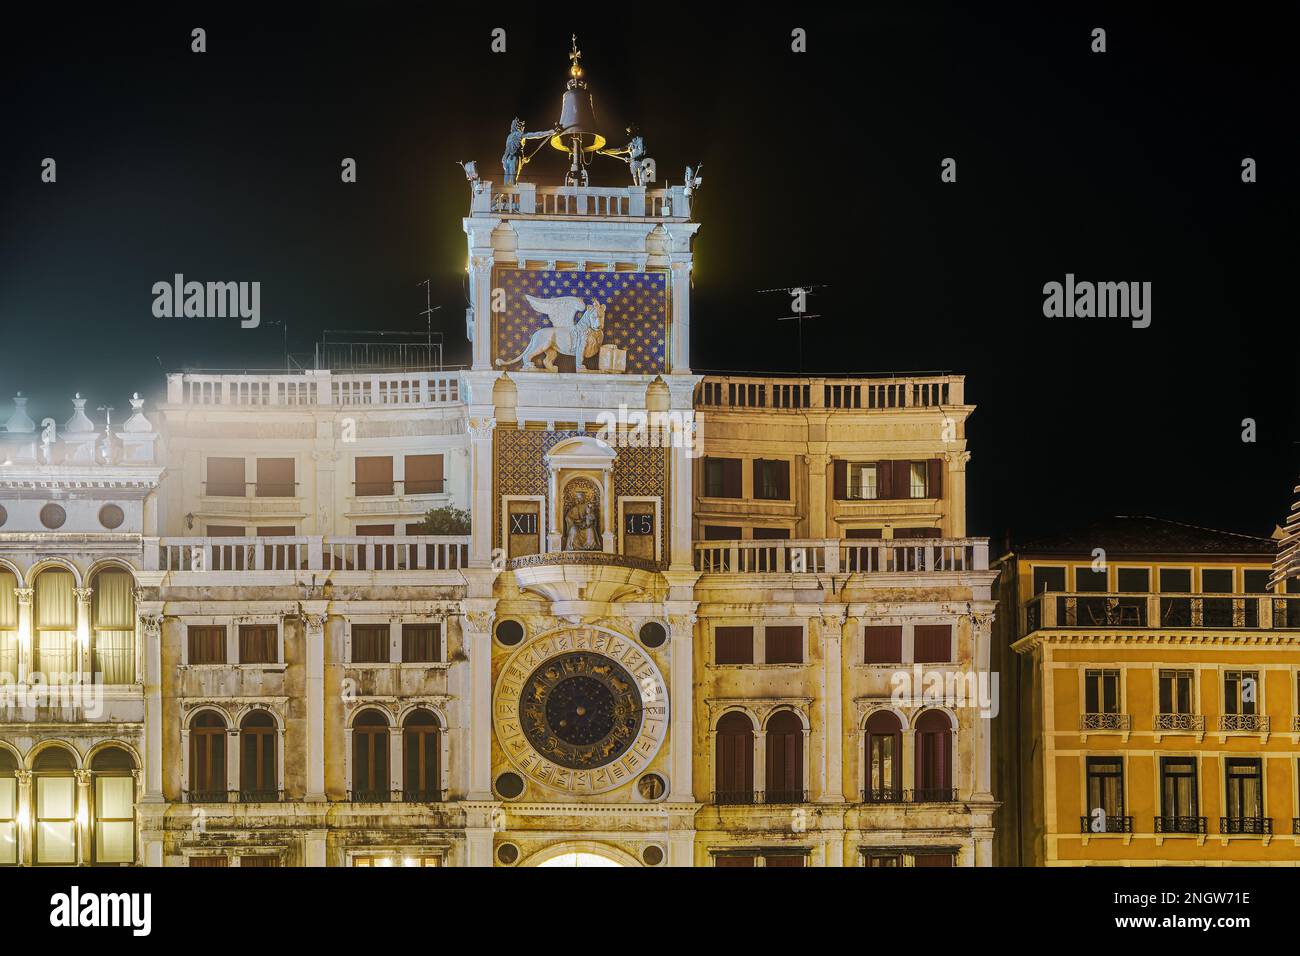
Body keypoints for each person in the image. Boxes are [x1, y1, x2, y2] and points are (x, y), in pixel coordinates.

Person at [502, 118, 562, 186]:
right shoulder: (519, 134)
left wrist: (522, 159)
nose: (523, 128)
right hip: (515, 158)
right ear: (518, 127)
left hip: (506, 159)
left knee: (506, 183)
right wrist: (551, 132)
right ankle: (510, 195)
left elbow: (508, 150)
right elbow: (536, 135)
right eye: (522, 126)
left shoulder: (509, 136)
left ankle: (503, 195)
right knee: (513, 181)